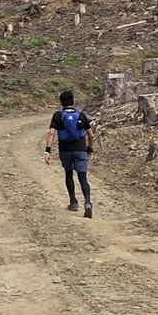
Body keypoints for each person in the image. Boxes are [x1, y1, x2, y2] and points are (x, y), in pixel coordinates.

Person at [44, 89, 94, 218]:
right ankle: (88, 203)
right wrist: (90, 147)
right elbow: (91, 134)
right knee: (83, 178)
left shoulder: (58, 115)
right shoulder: (81, 115)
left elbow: (51, 133)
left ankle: (73, 202)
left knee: (68, 174)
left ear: (61, 102)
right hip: (80, 149)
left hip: (65, 150)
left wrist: (47, 151)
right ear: (73, 101)